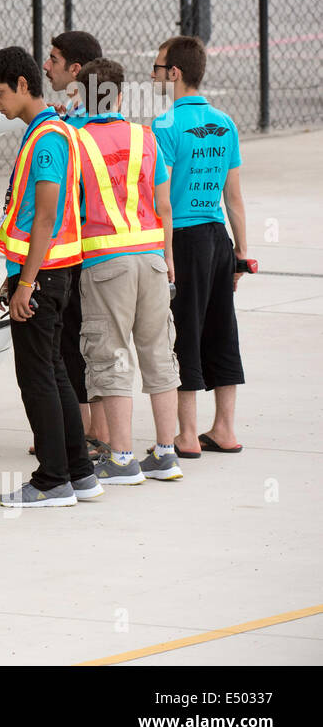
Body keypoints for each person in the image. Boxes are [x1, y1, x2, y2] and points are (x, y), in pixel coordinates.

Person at [0, 48, 100, 508]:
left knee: (37, 379)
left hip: (44, 277)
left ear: (23, 85)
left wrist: (25, 284)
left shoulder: (47, 139)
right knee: (55, 372)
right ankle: (79, 472)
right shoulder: (45, 132)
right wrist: (15, 277)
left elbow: (47, 215)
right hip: (46, 274)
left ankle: (53, 480)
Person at [72, 58, 183, 484]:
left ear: (83, 98)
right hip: (152, 258)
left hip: (104, 262)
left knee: (111, 354)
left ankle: (120, 457)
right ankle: (166, 452)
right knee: (159, 351)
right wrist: (168, 260)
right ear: (120, 94)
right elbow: (163, 207)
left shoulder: (77, 142)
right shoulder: (145, 137)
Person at [150, 36, 248, 457]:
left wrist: (165, 254)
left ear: (174, 73)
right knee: (223, 330)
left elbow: (163, 202)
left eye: (156, 68)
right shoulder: (226, 124)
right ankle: (224, 428)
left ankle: (187, 435)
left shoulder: (165, 126)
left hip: (184, 241)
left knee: (183, 333)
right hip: (218, 238)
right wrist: (241, 255)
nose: (152, 75)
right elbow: (235, 198)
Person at [40, 30, 107, 457]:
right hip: (110, 247)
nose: (47, 65)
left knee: (70, 339)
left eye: (54, 59)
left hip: (76, 247)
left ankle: (79, 430)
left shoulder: (68, 128)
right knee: (97, 338)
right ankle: (93, 429)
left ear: (75, 70)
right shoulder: (111, 122)